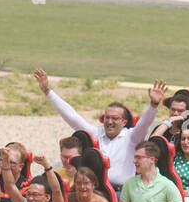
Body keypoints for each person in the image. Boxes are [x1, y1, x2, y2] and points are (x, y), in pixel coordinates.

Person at [34, 68, 167, 190]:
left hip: (122, 192)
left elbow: (144, 123)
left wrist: (153, 105)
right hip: (94, 191)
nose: (109, 122)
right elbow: (72, 116)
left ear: (124, 122)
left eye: (115, 118)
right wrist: (47, 91)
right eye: (106, 117)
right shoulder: (95, 134)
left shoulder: (132, 137)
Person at [118, 138, 186, 202]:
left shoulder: (167, 185)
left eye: (139, 158)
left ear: (151, 160)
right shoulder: (130, 183)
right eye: (135, 157)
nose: (134, 161)